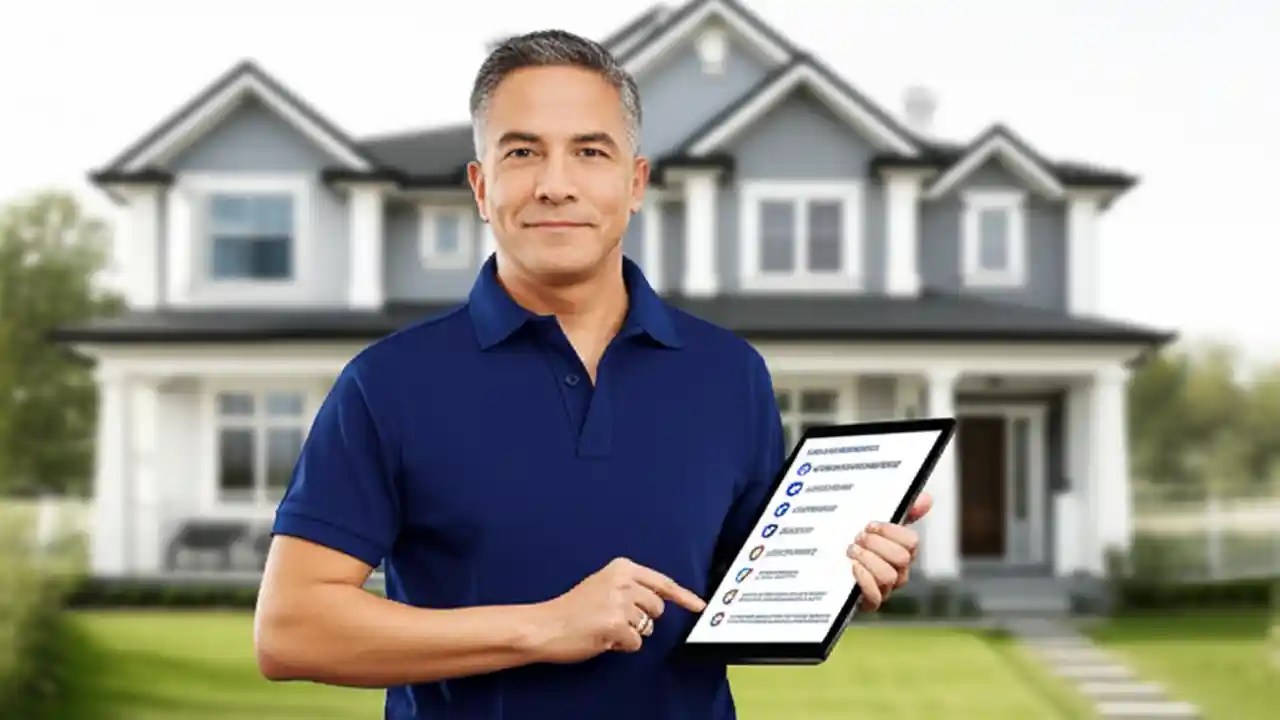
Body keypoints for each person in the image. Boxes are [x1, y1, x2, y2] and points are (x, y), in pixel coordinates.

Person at [253, 28, 932, 719]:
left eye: (589, 151)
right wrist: (544, 628)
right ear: (482, 188)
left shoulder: (730, 375)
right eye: (522, 153)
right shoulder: (386, 384)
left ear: (634, 183)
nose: (555, 185)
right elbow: (291, 631)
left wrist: (837, 571)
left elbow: (727, 611)